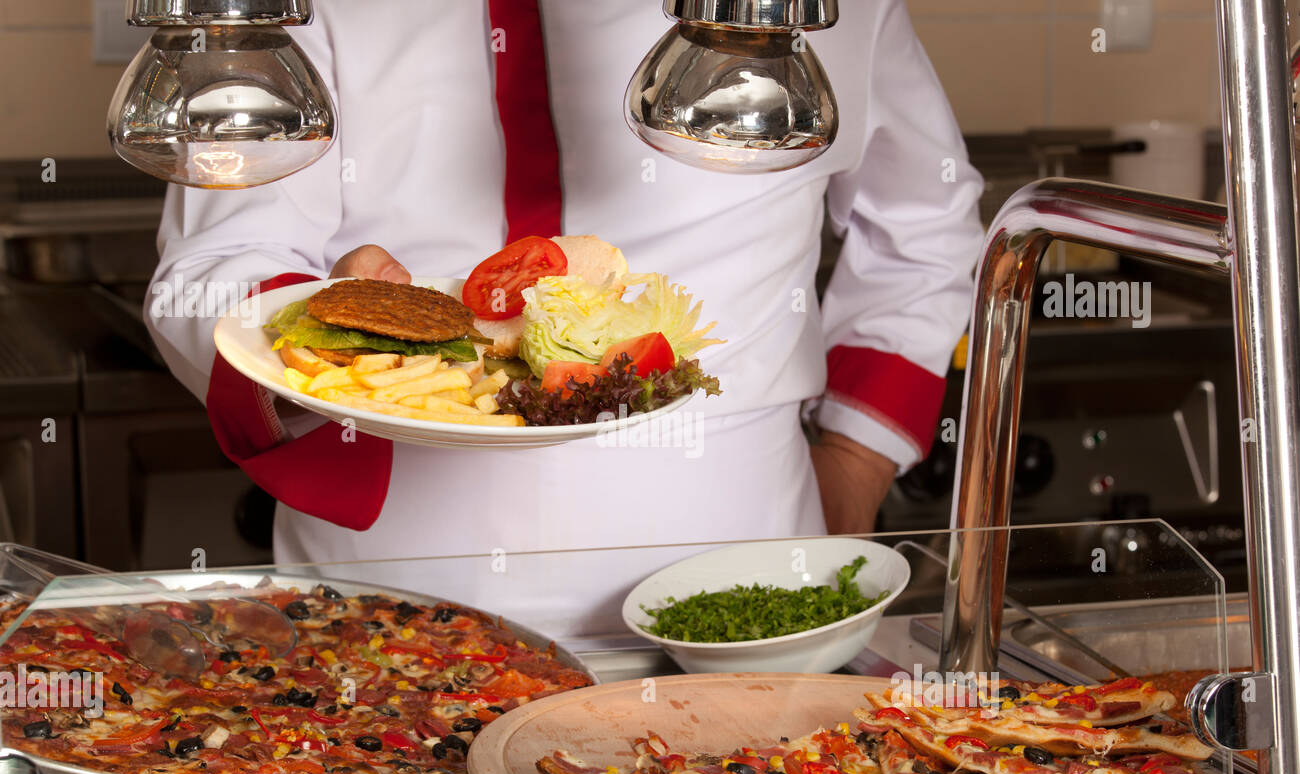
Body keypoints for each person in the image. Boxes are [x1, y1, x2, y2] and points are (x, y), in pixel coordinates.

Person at [145, 0, 983, 624]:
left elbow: (926, 225)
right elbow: (212, 268)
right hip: (397, 587)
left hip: (740, 569)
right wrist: (320, 323)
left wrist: (858, 456)